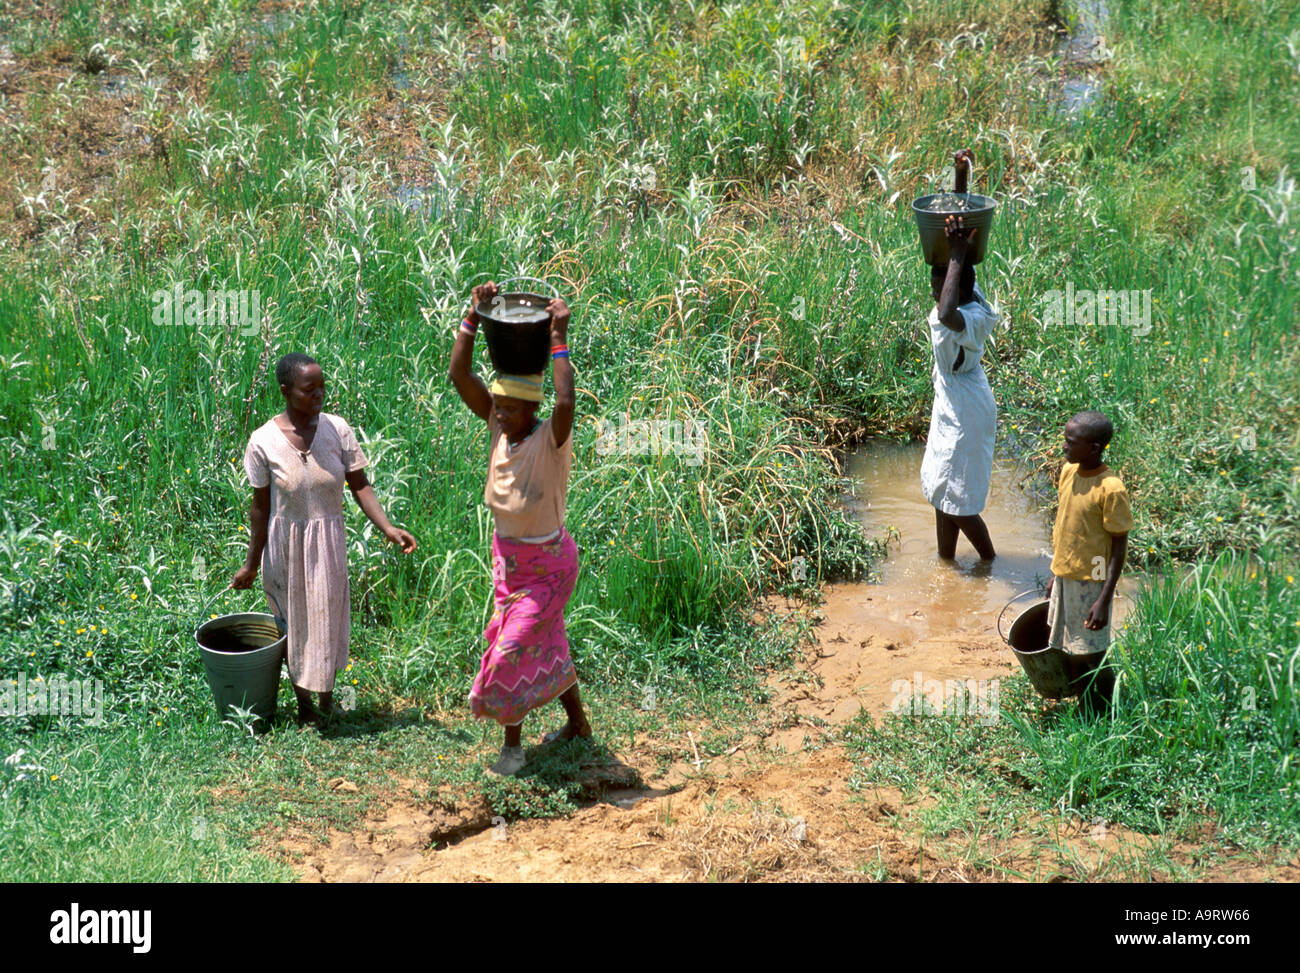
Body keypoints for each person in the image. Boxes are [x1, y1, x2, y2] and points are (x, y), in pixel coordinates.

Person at [448, 281, 592, 776]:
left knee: (510, 650)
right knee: (546, 639)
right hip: (509, 563)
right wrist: (473, 315)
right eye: (498, 406)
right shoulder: (499, 429)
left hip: (549, 565)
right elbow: (459, 373)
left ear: (532, 410)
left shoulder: (549, 441)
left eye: (509, 408)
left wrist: (558, 338)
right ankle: (578, 725)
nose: (499, 413)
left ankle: (512, 747)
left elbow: (567, 400)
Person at [231, 353, 416, 724]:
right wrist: (251, 563)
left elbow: (360, 485)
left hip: (328, 541)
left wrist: (388, 528)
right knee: (293, 622)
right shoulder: (263, 441)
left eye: (322, 387)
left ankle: (328, 700)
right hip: (286, 545)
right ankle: (304, 706)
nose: (320, 395)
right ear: (285, 391)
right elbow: (260, 509)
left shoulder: (337, 429)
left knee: (328, 617)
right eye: (309, 389)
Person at [920, 148, 998, 561]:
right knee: (940, 489)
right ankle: (945, 562)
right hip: (956, 400)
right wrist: (960, 178)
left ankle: (990, 560)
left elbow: (947, 308)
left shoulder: (965, 315)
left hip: (965, 412)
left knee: (959, 500)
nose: (935, 294)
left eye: (942, 285)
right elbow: (963, 230)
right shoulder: (972, 290)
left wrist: (954, 254)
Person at [1044, 410, 1132, 679]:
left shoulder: (1110, 488)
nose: (1063, 446)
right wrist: (1055, 573)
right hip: (1065, 575)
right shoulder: (1069, 471)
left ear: (1094, 449)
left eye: (1070, 442)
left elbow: (1119, 546)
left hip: (1091, 579)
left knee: (1090, 652)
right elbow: (1066, 528)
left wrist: (1103, 599)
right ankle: (1082, 707)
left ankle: (1101, 710)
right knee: (1065, 645)